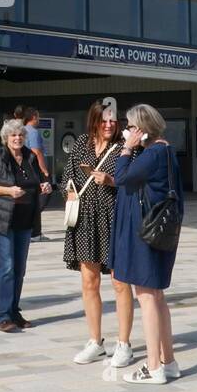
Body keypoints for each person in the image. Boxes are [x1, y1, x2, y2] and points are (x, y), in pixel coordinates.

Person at [110, 104, 181, 383]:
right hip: (164, 230)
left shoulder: (151, 153)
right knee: (158, 296)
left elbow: (123, 178)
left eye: (130, 126)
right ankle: (169, 361)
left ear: (141, 129)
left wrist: (127, 148)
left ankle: (153, 367)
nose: (126, 130)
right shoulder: (167, 151)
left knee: (147, 297)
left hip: (146, 232)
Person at [61, 100, 135, 367]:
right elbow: (67, 176)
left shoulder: (125, 148)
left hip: (113, 218)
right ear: (94, 120)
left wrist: (113, 180)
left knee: (120, 282)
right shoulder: (82, 143)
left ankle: (124, 344)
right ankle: (96, 342)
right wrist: (69, 189)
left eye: (113, 120)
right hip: (85, 220)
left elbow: (136, 181)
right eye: (103, 120)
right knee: (89, 282)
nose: (108, 125)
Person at [0, 118, 51, 332]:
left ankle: (13, 311)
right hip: (2, 220)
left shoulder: (29, 156)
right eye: (13, 135)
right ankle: (2, 316)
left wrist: (43, 187)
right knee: (7, 266)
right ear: (6, 138)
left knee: (19, 269)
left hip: (25, 220)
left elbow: (35, 183)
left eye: (20, 135)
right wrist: (8, 191)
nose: (17, 138)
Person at [15, 106, 54, 242]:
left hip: (24, 168)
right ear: (34, 117)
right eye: (37, 116)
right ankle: (32, 227)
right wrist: (45, 170)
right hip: (36, 168)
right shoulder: (33, 132)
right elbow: (37, 152)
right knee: (44, 195)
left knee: (32, 196)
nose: (39, 119)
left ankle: (33, 229)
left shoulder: (21, 131)